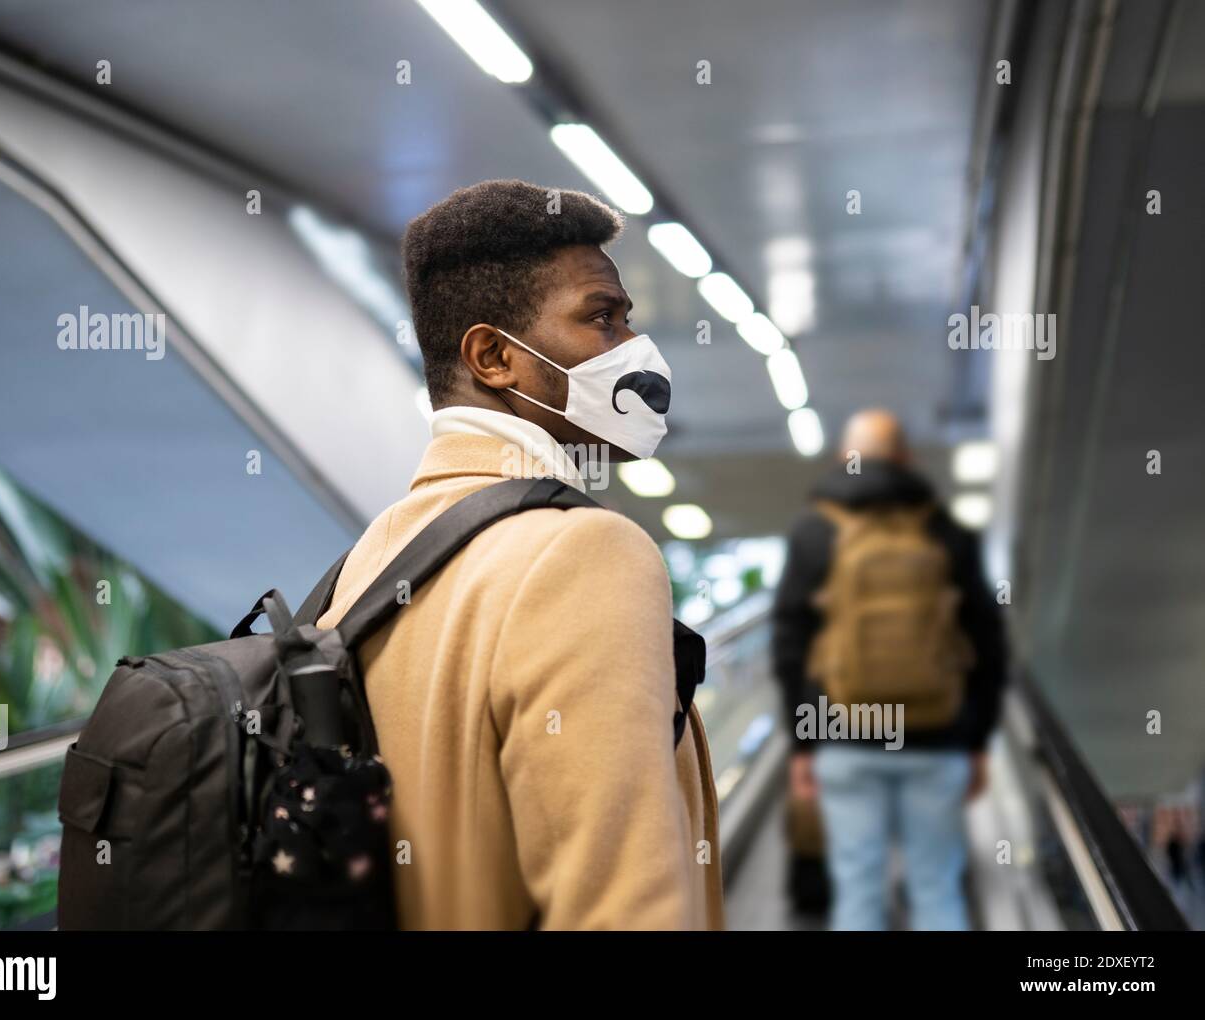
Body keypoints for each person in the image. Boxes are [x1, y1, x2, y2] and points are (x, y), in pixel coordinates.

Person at [316, 179, 723, 930]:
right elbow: (624, 907)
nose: (635, 352)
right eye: (602, 319)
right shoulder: (585, 553)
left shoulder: (371, 559)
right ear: (494, 357)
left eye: (628, 321)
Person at [772, 409, 1006, 930]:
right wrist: (978, 739)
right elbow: (987, 643)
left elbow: (791, 642)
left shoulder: (815, 531)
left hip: (844, 734)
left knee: (857, 890)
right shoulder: (947, 532)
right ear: (906, 458)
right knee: (936, 889)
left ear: (845, 459)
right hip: (938, 735)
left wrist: (802, 743)